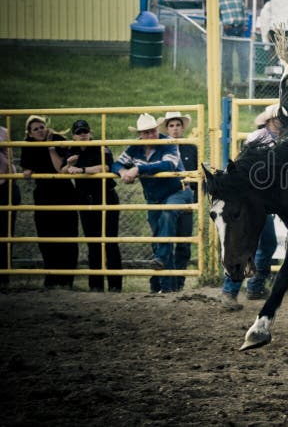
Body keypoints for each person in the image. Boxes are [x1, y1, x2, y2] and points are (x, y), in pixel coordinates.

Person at [111, 113, 192, 294]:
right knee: (160, 239)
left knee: (168, 213)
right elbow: (115, 164)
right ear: (140, 134)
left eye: (153, 131)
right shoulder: (135, 148)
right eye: (146, 132)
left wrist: (138, 169)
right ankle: (167, 288)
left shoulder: (168, 143)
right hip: (154, 197)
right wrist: (123, 172)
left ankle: (162, 265)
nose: (151, 135)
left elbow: (168, 166)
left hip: (177, 191)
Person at [219, 105, 281, 310]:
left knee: (268, 243)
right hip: (249, 200)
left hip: (261, 200)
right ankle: (230, 291)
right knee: (246, 244)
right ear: (269, 120)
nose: (281, 121)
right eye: (278, 118)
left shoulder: (285, 137)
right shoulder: (257, 137)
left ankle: (254, 286)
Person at [61, 119, 122, 293]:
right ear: (73, 136)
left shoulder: (100, 146)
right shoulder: (71, 150)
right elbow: (62, 170)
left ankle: (115, 286)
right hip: (85, 199)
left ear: (90, 133)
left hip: (105, 196)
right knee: (93, 243)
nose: (82, 136)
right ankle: (95, 285)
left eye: (85, 132)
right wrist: (69, 166)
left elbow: (105, 166)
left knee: (110, 241)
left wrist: (81, 170)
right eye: (79, 133)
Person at [19, 115, 79, 288]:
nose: (40, 131)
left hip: (64, 193)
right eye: (35, 129)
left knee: (68, 235)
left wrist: (51, 147)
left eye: (42, 126)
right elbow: (26, 167)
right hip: (44, 194)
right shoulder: (27, 145)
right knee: (46, 236)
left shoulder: (58, 140)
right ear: (29, 133)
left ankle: (68, 279)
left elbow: (59, 169)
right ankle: (51, 278)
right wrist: (27, 170)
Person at [157, 111, 197, 292]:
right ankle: (166, 283)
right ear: (166, 129)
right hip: (166, 198)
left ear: (182, 128)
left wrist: (192, 195)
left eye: (178, 125)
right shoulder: (160, 147)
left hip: (186, 199)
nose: (175, 129)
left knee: (183, 243)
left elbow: (196, 173)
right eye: (171, 126)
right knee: (164, 239)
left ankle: (178, 283)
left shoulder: (191, 147)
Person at [0, 126, 21, 289]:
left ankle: (3, 279)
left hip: (6, 184)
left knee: (6, 234)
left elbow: (9, 159)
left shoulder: (3, 130)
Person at [220, 0, 249, 86]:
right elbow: (217, 16)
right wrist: (223, 23)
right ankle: (228, 80)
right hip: (228, 29)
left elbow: (245, 11)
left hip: (240, 28)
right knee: (227, 57)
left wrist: (245, 24)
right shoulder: (220, 1)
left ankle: (243, 78)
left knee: (243, 55)